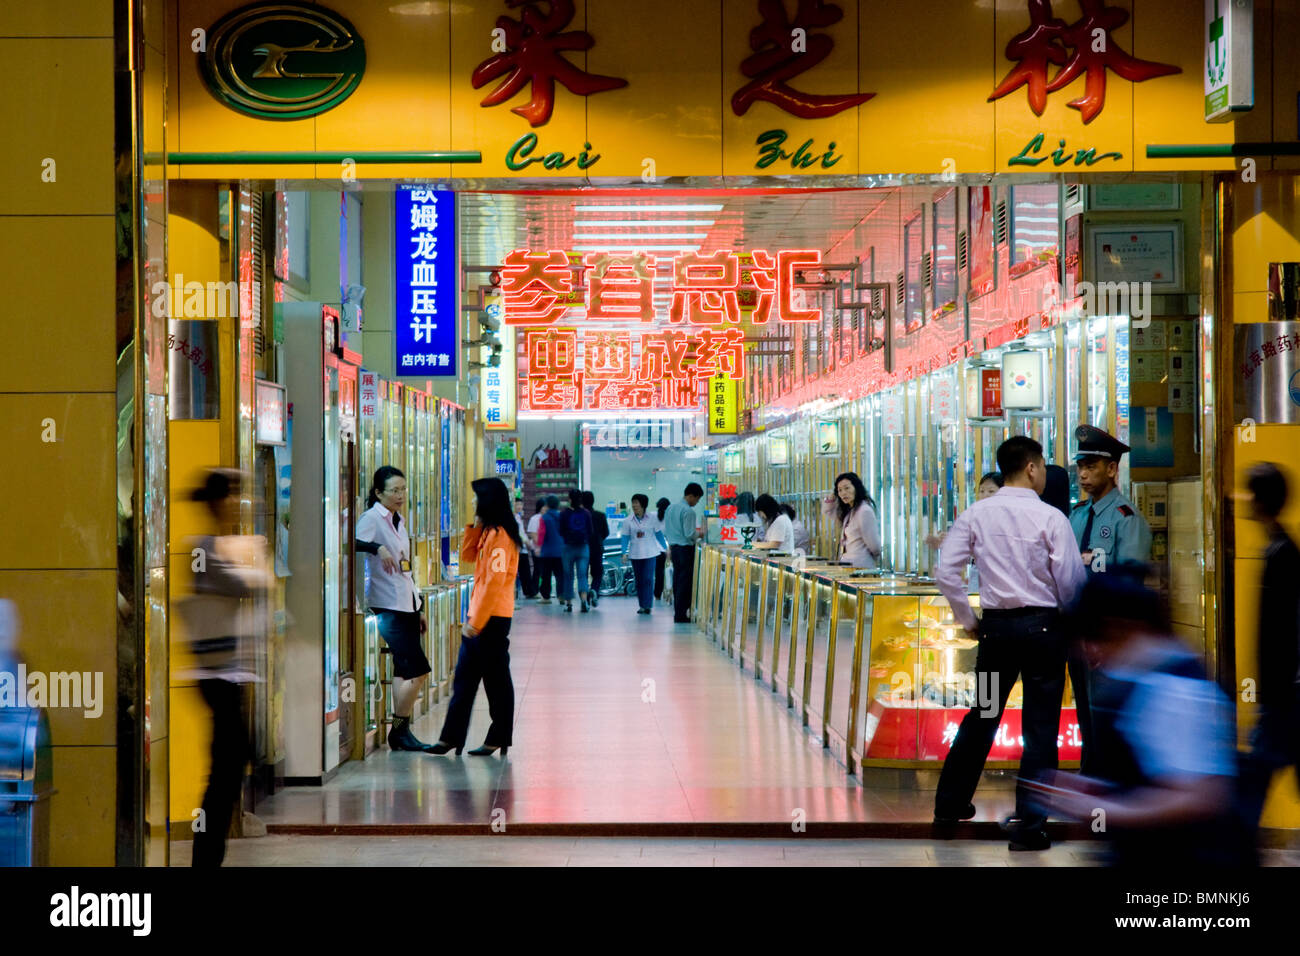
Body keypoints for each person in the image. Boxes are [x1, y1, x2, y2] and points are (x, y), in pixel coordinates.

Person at [932, 436, 1087, 851]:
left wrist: (970, 620)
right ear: (1033, 468)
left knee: (981, 715)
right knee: (1040, 728)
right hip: (1044, 634)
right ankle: (1030, 827)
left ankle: (949, 805)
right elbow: (1071, 582)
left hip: (995, 635)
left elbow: (946, 572)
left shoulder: (977, 514)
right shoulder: (1051, 518)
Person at [1031, 571, 1247, 867]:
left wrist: (1101, 808)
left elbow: (1201, 796)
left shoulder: (1173, 688)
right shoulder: (1144, 676)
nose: (1089, 652)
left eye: (1094, 638)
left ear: (1121, 628)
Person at [178, 469, 272, 866]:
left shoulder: (220, 546)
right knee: (224, 770)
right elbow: (245, 585)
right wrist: (254, 558)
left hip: (229, 673)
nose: (239, 503)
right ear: (217, 502)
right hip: (214, 676)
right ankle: (206, 855)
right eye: (232, 495)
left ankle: (210, 852)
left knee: (232, 763)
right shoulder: (202, 549)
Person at [1068, 424, 1152, 778]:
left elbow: (1130, 583)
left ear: (1112, 469)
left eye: (1092, 466)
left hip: (1110, 637)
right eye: (1081, 467)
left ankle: (1108, 785)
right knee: (1086, 713)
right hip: (1079, 633)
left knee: (1108, 714)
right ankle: (1091, 779)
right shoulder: (1076, 516)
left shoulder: (1125, 519)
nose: (1084, 474)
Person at [427, 477, 520, 757]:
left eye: (476, 498)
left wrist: (475, 624)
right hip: (479, 615)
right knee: (464, 681)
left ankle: (499, 736)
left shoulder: (502, 536)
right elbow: (468, 556)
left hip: (491, 618)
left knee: (496, 682)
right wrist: (476, 526)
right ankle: (450, 738)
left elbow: (493, 583)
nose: (472, 502)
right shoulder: (489, 532)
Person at [1236, 463, 1300, 849]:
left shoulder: (1282, 554)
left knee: (1255, 778)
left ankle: (1236, 851)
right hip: (1284, 695)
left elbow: (1282, 632)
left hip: (1285, 696)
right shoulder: (1281, 547)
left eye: (1248, 491)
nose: (1241, 498)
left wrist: (1270, 695)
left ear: (1259, 499)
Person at [355, 466, 436, 752]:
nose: (401, 495)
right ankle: (398, 729)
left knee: (404, 670)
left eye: (403, 489)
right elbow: (351, 543)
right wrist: (377, 548)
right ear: (378, 493)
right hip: (387, 605)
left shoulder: (398, 520)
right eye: (394, 490)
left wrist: (419, 605)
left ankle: (402, 732)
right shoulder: (372, 518)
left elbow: (405, 567)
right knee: (418, 670)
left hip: (406, 602)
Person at [822, 472, 882, 568]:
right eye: (839, 490)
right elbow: (828, 512)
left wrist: (874, 556)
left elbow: (874, 545)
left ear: (856, 488)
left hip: (861, 566)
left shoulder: (864, 511)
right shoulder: (850, 511)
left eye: (847, 488)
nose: (843, 493)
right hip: (848, 564)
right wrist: (831, 497)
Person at [664, 483, 704, 623]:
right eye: (697, 499)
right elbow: (689, 533)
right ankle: (681, 614)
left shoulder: (670, 508)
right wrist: (701, 534)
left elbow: (666, 530)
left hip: (674, 549)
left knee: (677, 580)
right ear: (691, 496)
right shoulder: (688, 511)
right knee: (685, 583)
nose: (696, 503)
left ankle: (678, 612)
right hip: (686, 550)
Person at [622, 493, 667, 614]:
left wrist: (666, 548)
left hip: (650, 553)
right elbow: (625, 538)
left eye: (637, 503)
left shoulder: (652, 518)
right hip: (635, 554)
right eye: (633, 503)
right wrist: (623, 552)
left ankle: (648, 605)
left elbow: (659, 535)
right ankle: (642, 605)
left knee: (648, 579)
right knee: (639, 580)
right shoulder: (628, 520)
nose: (634, 505)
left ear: (643, 504)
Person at [558, 489, 594, 613]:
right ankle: (584, 601)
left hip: (568, 547)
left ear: (570, 499)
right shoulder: (586, 513)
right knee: (582, 575)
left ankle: (569, 604)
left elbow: (560, 531)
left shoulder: (564, 514)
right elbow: (590, 531)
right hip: (583, 547)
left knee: (568, 576)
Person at [535, 494, 564, 604]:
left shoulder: (544, 517)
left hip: (547, 552)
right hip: (560, 551)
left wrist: (539, 547)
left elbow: (541, 534)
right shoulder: (561, 516)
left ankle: (546, 597)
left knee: (546, 575)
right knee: (560, 574)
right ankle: (561, 595)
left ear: (547, 505)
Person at [582, 490, 609, 608]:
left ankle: (585, 598)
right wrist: (599, 539)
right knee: (597, 573)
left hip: (583, 548)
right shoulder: (600, 515)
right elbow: (606, 532)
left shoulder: (580, 516)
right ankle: (594, 590)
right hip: (597, 548)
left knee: (583, 574)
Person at [514, 495, 537, 599]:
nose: (519, 506)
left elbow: (522, 532)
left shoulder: (518, 517)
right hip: (516, 548)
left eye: (520, 504)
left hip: (522, 547)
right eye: (517, 504)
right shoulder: (513, 517)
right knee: (522, 570)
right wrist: (526, 542)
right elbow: (519, 533)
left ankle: (529, 591)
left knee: (525, 570)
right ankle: (528, 591)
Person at [654, 497, 672, 603]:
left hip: (652, 549)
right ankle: (661, 594)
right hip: (663, 549)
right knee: (662, 573)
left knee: (655, 573)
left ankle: (655, 594)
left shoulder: (652, 516)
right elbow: (668, 535)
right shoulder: (668, 518)